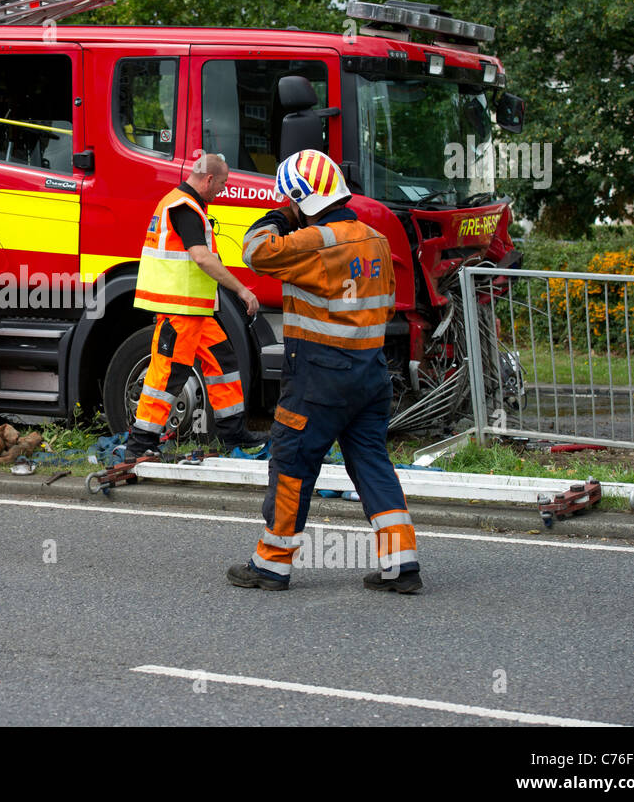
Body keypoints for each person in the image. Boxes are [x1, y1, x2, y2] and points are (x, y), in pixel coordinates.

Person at [227, 149, 422, 593]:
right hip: (371, 373)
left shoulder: (315, 242)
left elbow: (256, 249)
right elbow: (387, 300)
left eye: (292, 200)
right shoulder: (376, 239)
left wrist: (281, 217)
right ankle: (401, 563)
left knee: (293, 460)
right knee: (372, 463)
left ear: (301, 199)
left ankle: (271, 564)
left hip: (318, 375)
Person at [125, 150, 269, 461]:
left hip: (196, 312)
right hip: (181, 312)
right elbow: (202, 258)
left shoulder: (185, 205)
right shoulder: (184, 207)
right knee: (166, 377)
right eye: (223, 183)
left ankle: (233, 434)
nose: (224, 189)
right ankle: (140, 445)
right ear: (208, 179)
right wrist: (242, 290)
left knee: (223, 364)